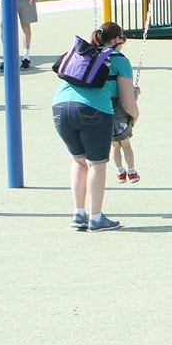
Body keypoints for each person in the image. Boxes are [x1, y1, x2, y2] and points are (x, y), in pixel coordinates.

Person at [51, 22, 138, 232]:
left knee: (79, 162)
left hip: (59, 107)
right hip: (93, 109)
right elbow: (127, 102)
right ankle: (96, 218)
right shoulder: (119, 60)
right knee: (96, 164)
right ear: (117, 40)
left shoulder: (85, 54)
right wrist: (135, 116)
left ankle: (79, 213)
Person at [111, 82, 140, 186]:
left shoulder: (106, 90)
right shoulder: (123, 89)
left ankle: (120, 173)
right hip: (123, 122)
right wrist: (136, 92)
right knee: (126, 146)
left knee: (115, 147)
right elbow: (130, 103)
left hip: (109, 123)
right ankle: (131, 172)